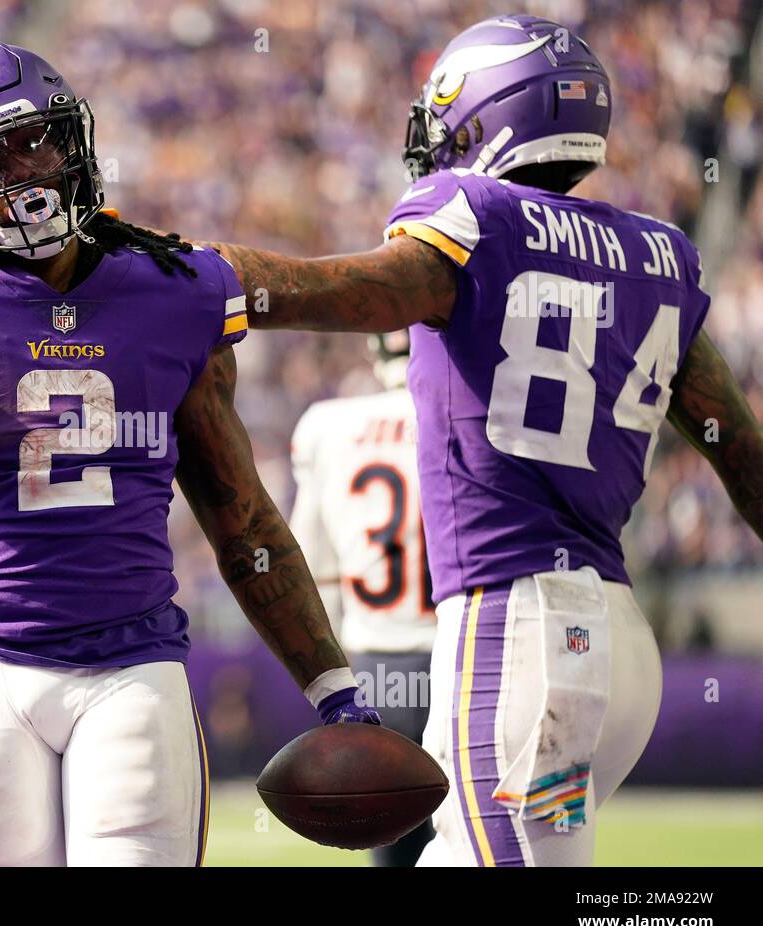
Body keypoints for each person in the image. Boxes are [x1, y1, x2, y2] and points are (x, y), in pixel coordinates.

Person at [0, 40, 377, 867]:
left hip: (129, 663)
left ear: (74, 139)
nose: (23, 170)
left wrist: (332, 687)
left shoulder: (170, 285)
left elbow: (244, 512)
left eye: (35, 139)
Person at [197, 14, 763, 865]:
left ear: (496, 119)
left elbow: (358, 293)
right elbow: (740, 450)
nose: (436, 147)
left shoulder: (474, 217)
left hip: (518, 632)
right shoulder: (658, 255)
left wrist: (209, 276)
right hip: (614, 643)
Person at [288, 329, 437, 866]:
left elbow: (313, 571)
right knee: (483, 846)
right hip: (466, 661)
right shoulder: (473, 414)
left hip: (377, 671)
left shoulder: (329, 427)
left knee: (394, 855)